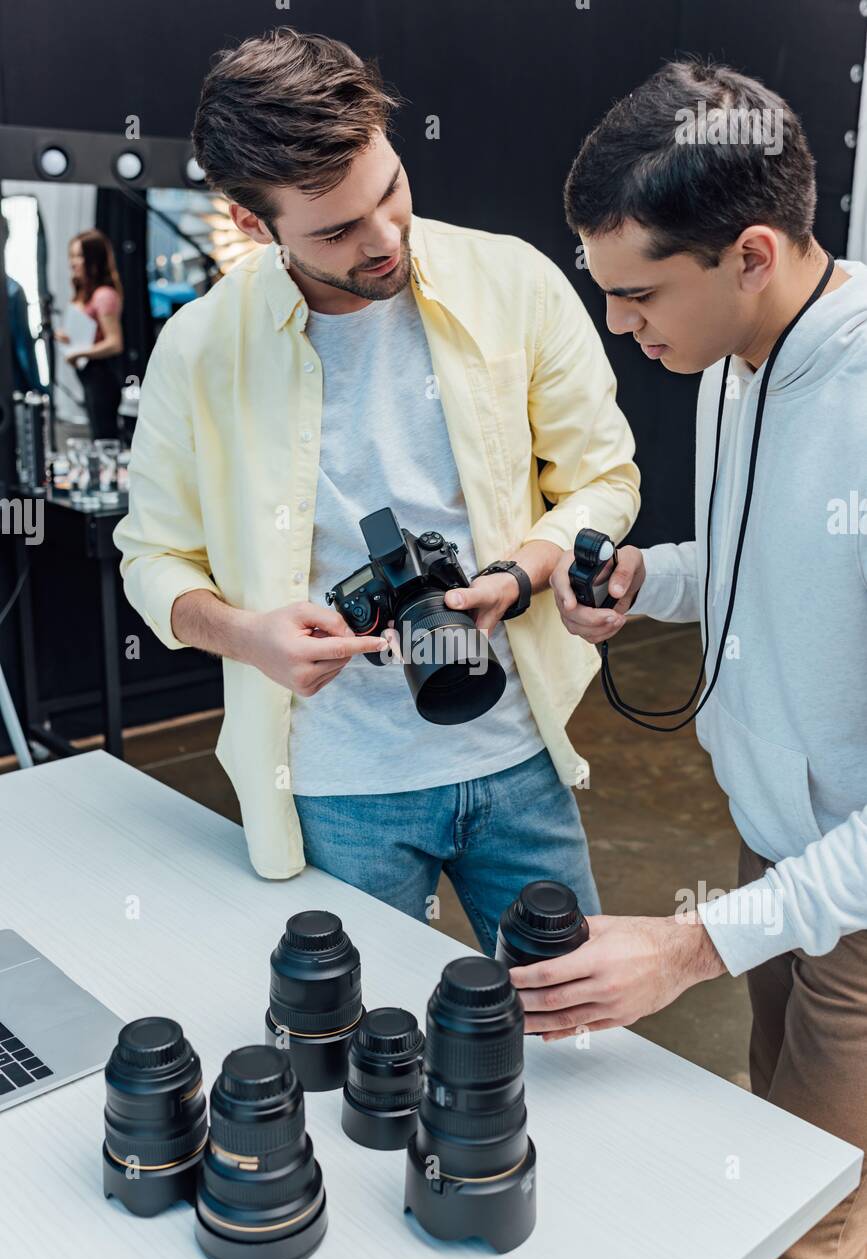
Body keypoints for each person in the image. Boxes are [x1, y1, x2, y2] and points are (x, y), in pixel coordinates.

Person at [112, 26, 640, 954]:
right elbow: (152, 558)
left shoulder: (512, 280)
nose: (385, 237)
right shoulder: (198, 351)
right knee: (366, 1055)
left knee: (582, 1036)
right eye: (336, 229)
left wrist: (522, 573)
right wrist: (248, 636)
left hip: (518, 752)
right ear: (250, 224)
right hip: (333, 786)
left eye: (390, 190)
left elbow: (602, 475)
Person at [518, 58, 867, 1259]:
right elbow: (774, 551)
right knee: (779, 1158)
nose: (619, 325)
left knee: (796, 1248)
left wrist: (687, 948)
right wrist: (655, 579)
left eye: (636, 292)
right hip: (782, 848)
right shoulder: (731, 358)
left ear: (751, 253)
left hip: (859, 892)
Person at [55, 228, 124, 439]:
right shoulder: (87, 293)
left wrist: (80, 353)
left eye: (79, 256)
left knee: (104, 435)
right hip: (89, 374)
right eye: (72, 256)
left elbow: (114, 342)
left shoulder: (104, 295)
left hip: (102, 375)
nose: (73, 263)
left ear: (93, 259)